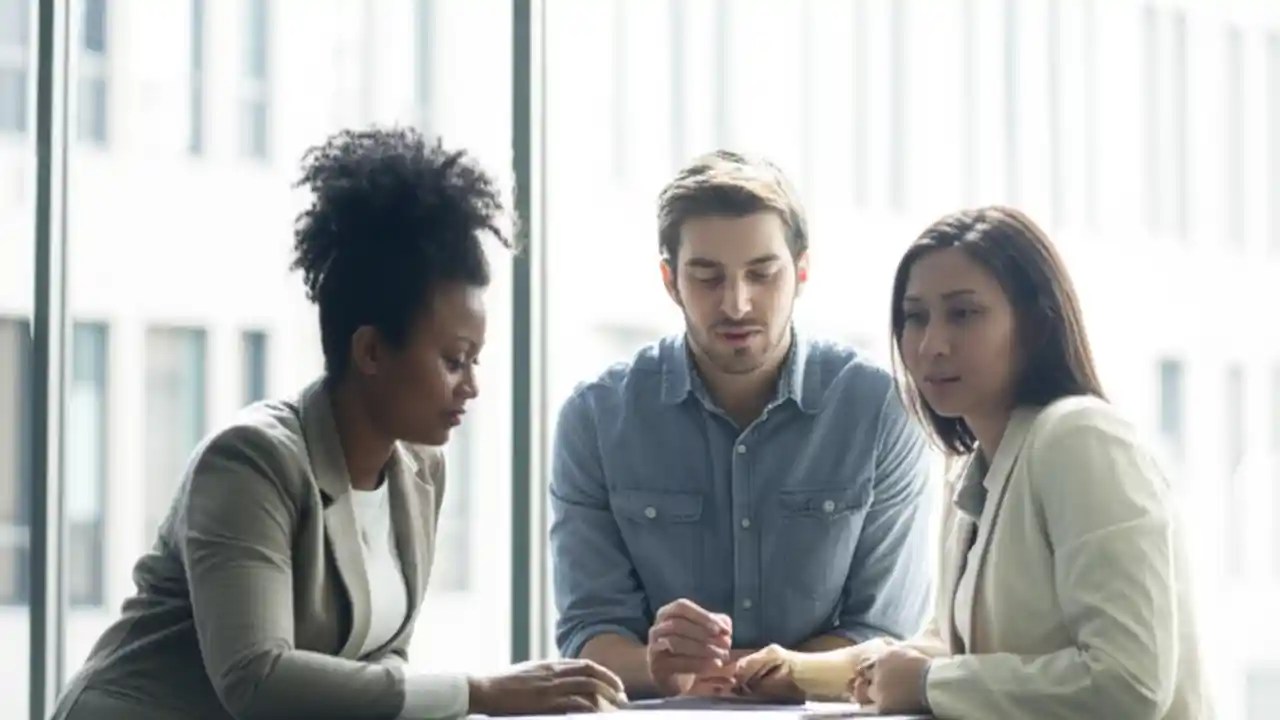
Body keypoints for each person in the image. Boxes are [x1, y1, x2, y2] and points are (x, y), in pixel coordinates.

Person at [52, 128, 625, 720]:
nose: (471, 385)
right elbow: (256, 678)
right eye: (454, 360)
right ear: (371, 351)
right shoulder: (250, 462)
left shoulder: (419, 471)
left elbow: (382, 664)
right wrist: (477, 693)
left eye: (475, 360)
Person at [734, 206, 1212, 718]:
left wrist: (928, 683)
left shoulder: (1079, 437)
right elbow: (954, 650)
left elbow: (1128, 683)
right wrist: (795, 671)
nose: (931, 345)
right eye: (915, 317)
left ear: (1034, 325)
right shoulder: (975, 467)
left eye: (963, 314)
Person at [549, 150, 934, 698]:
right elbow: (588, 632)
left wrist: (755, 675)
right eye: (707, 277)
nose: (736, 304)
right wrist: (663, 669)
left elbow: (883, 629)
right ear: (670, 281)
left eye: (762, 273)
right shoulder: (594, 419)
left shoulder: (879, 411)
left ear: (801, 271)